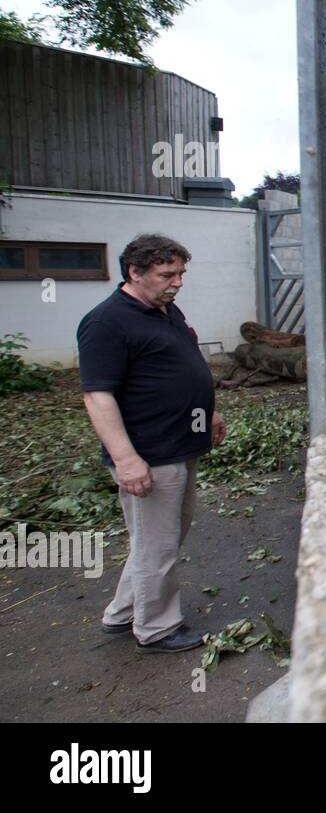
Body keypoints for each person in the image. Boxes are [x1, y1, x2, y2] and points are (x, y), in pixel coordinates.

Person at [77, 234, 226, 653]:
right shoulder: (106, 322)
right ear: (134, 273)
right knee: (157, 544)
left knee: (160, 539)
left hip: (179, 443)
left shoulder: (164, 310)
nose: (177, 282)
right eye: (167, 274)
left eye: (180, 273)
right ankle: (157, 628)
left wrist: (206, 411)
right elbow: (97, 395)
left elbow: (177, 367)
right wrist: (126, 460)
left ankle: (123, 613)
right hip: (149, 454)